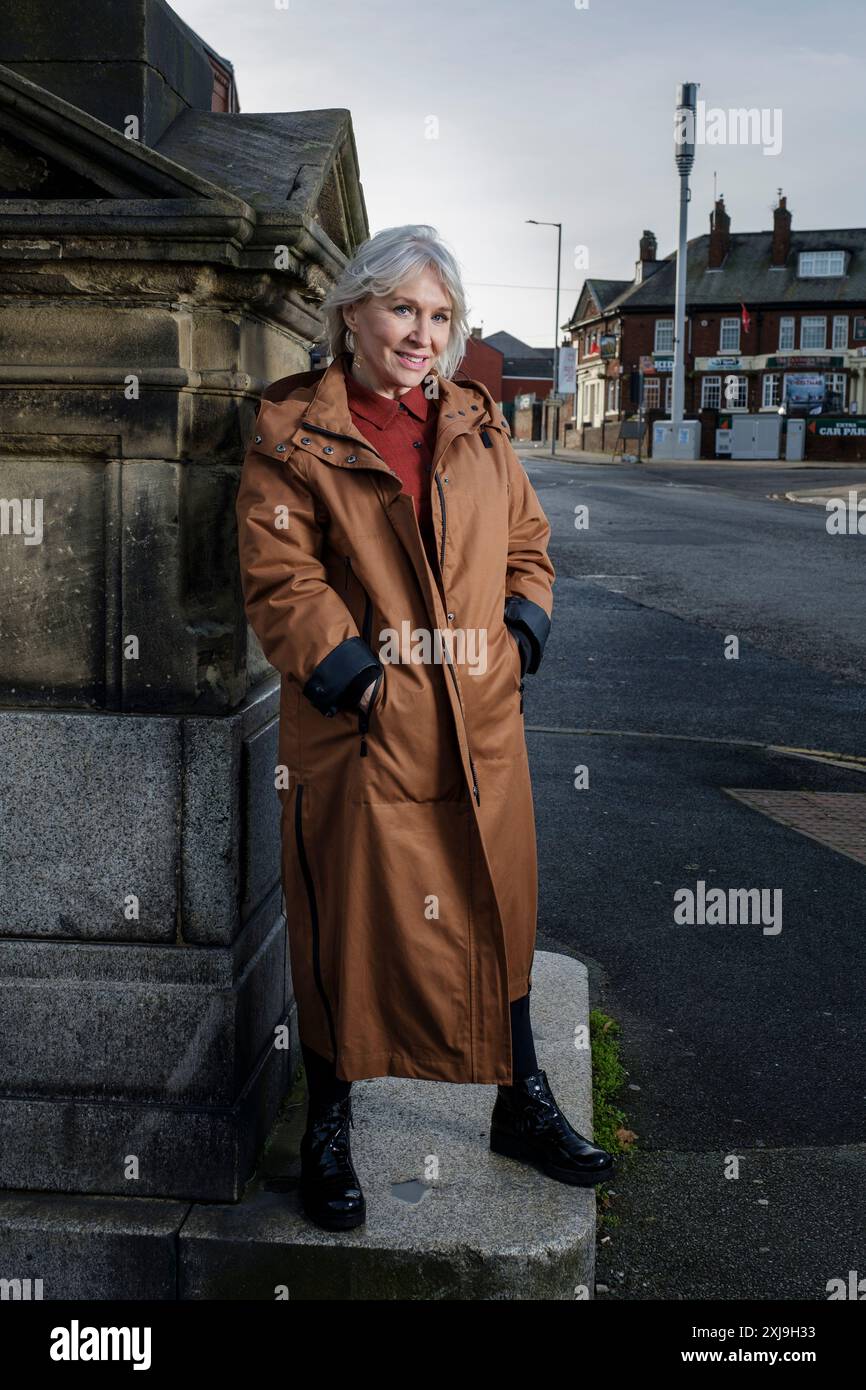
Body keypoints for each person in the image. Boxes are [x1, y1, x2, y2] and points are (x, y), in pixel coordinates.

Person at [235, 225, 615, 1232]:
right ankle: (329, 1124)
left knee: (498, 910)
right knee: (346, 929)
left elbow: (526, 545)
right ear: (352, 309)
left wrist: (520, 636)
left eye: (439, 315)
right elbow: (280, 575)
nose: (421, 333)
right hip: (365, 733)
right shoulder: (293, 432)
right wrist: (351, 677)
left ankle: (517, 1102)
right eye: (402, 308)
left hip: (480, 722)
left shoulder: (478, 426)